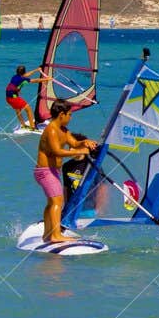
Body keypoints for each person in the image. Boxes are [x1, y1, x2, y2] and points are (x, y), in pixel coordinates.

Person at [33, 100, 97, 243]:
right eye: (69, 114)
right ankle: (56, 235)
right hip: (45, 171)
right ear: (61, 114)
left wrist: (85, 142)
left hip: (53, 171)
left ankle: (48, 234)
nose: (71, 117)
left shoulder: (63, 130)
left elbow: (74, 143)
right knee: (57, 201)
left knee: (52, 202)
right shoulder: (51, 130)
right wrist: (80, 151)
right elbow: (57, 151)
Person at [6, 65, 48, 131]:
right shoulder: (22, 79)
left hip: (8, 98)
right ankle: (32, 127)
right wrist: (47, 79)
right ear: (24, 72)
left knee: (18, 110)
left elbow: (27, 75)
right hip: (14, 98)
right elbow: (35, 80)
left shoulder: (14, 77)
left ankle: (23, 125)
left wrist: (36, 70)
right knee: (28, 109)